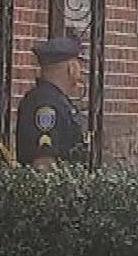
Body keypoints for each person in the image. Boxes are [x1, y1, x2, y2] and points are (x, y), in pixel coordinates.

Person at [14, 36, 89, 168]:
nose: (81, 71)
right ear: (71, 68)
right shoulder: (45, 104)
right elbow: (44, 161)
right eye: (79, 64)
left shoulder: (55, 100)